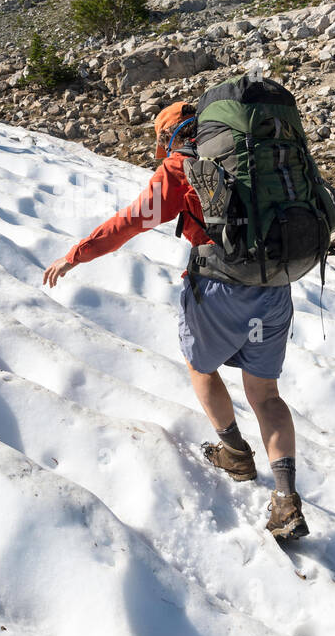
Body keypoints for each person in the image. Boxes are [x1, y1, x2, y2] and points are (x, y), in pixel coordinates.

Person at [42, 100, 308, 539]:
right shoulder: (251, 156)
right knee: (266, 396)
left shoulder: (179, 169)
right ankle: (285, 500)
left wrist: (75, 256)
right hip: (275, 283)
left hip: (219, 286)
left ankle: (235, 454)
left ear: (170, 137)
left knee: (201, 367)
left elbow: (127, 224)